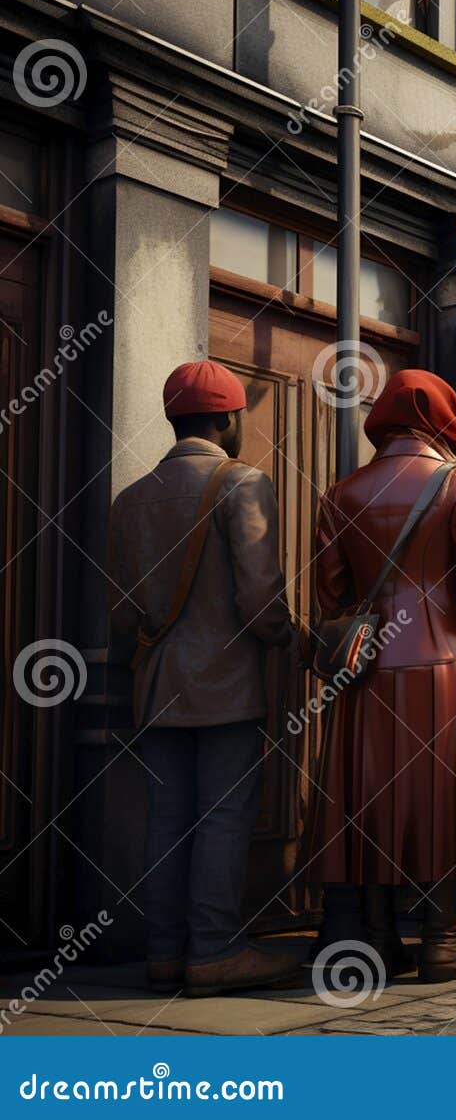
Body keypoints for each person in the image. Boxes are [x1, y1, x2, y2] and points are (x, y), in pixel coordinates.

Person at [310, 370, 456, 982]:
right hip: (454, 663)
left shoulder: (341, 493)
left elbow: (332, 597)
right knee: (448, 798)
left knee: (374, 797)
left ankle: (376, 938)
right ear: (445, 421)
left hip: (370, 667)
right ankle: (443, 938)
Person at [108, 360, 298, 997]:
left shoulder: (130, 499)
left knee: (167, 819)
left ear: (175, 419)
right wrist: (294, 640)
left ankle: (165, 954)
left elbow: (124, 609)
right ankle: (215, 951)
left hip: (157, 687)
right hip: (227, 688)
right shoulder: (242, 482)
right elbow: (261, 601)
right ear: (232, 418)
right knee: (222, 817)